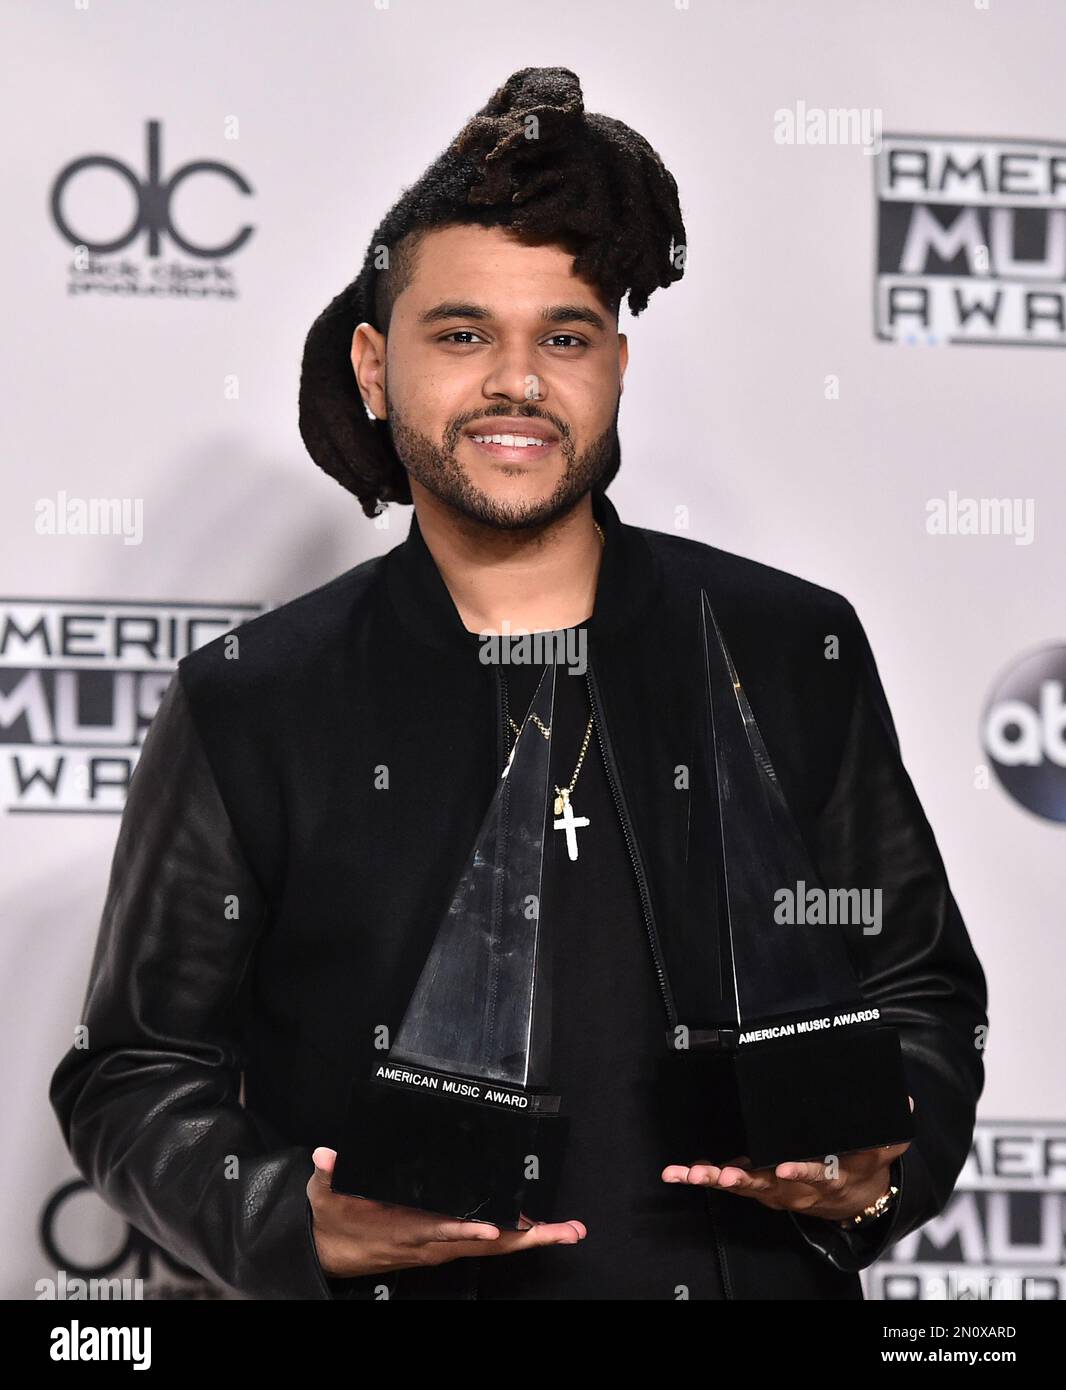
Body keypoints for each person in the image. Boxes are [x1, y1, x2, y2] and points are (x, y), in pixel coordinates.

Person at [49, 66, 987, 1301]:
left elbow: (913, 981)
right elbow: (133, 1069)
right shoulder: (252, 700)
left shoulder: (786, 645)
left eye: (563, 335)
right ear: (376, 369)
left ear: (615, 367)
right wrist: (296, 1221)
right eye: (461, 334)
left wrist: (873, 1166)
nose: (517, 382)